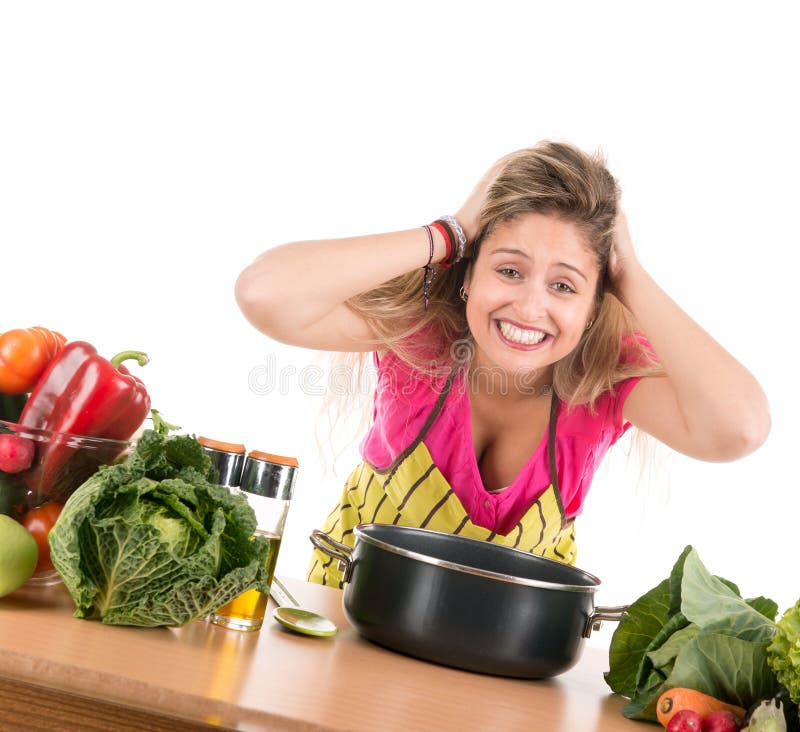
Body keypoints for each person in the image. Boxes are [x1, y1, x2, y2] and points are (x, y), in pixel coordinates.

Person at [235, 140, 770, 587]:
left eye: (564, 286)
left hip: (505, 660)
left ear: (593, 307)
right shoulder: (422, 331)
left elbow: (740, 429)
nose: (529, 308)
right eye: (509, 271)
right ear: (468, 271)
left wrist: (629, 274)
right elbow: (263, 293)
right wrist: (451, 230)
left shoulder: (603, 379)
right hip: (352, 626)